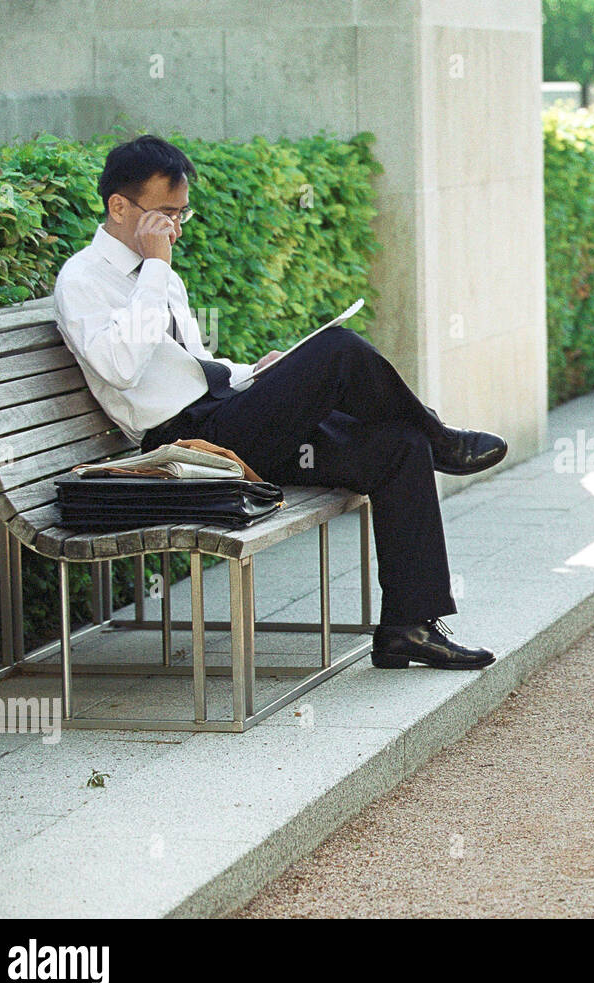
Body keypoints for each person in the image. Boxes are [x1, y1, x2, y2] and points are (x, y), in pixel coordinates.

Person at [53, 135, 505, 671]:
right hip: (185, 450)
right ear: (119, 206)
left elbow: (193, 365)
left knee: (398, 447)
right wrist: (154, 269)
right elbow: (121, 369)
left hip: (227, 421)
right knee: (337, 351)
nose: (174, 229)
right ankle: (442, 438)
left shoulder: (161, 274)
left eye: (182, 215)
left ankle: (409, 627)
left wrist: (254, 373)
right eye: (164, 215)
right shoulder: (83, 280)